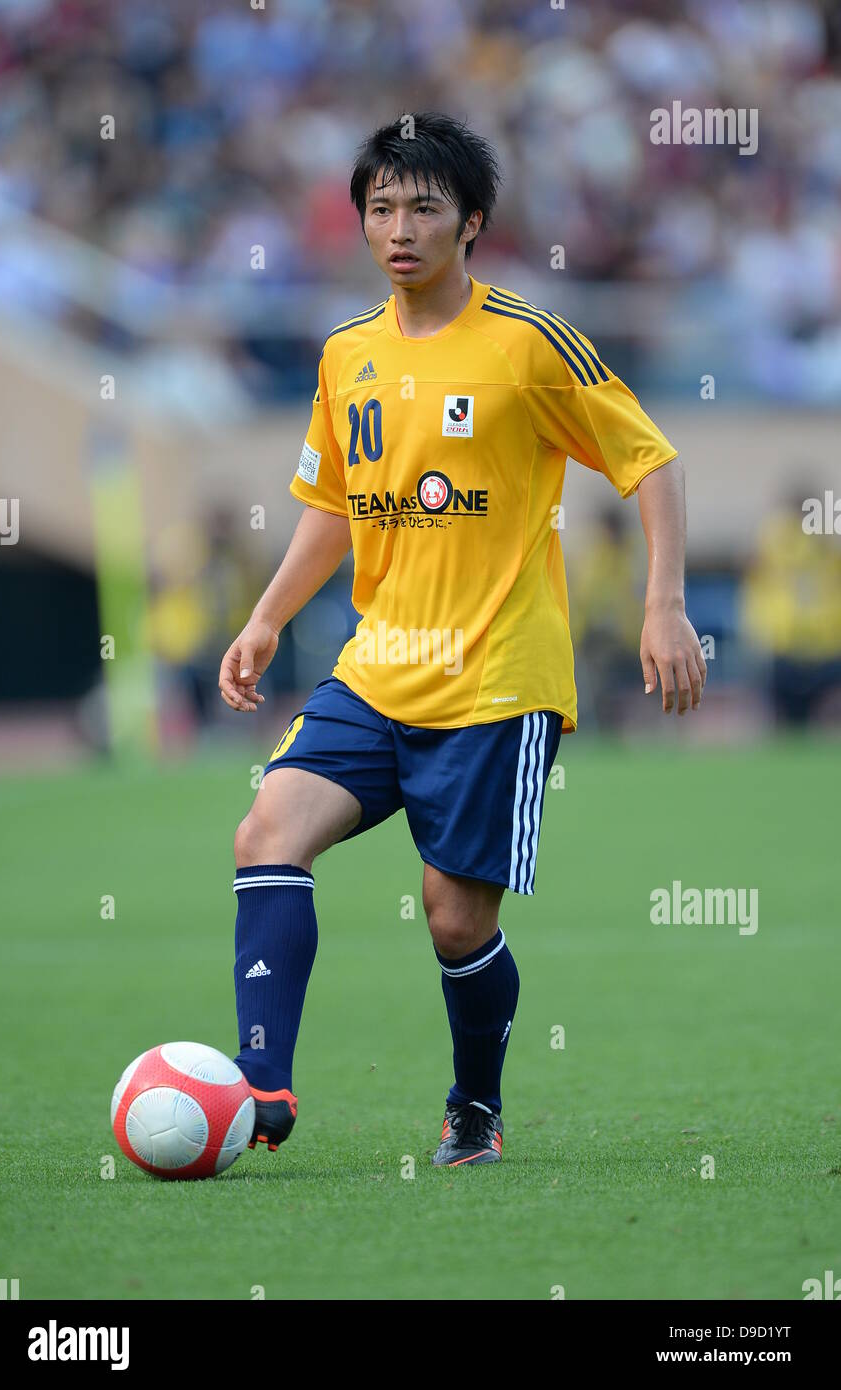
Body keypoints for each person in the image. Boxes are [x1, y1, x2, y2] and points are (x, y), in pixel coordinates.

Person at [218, 112, 706, 1167]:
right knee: (266, 833)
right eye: (380, 208)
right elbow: (333, 504)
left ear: (470, 220)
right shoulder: (345, 353)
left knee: (450, 922)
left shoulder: (528, 341)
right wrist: (264, 617)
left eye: (423, 207)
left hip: (495, 678)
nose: (399, 227)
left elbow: (650, 461)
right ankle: (256, 1088)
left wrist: (663, 602)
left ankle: (473, 1109)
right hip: (373, 668)